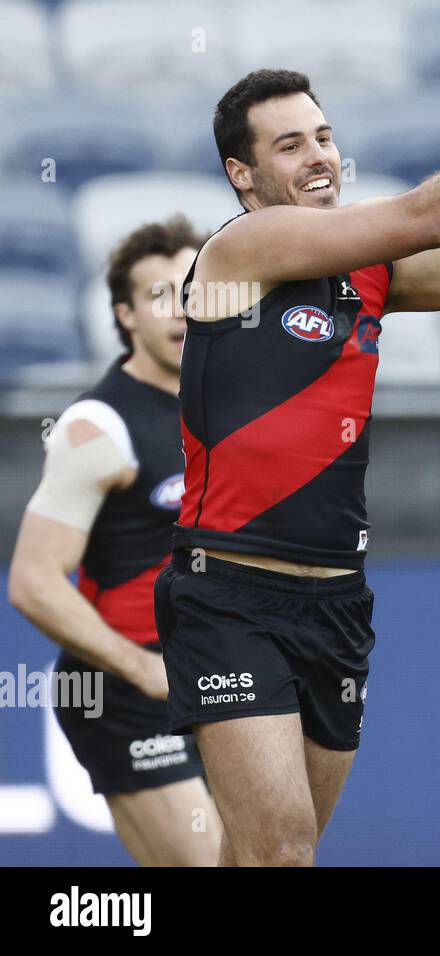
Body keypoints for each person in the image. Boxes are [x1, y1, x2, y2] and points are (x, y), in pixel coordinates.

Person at [155, 16, 440, 865]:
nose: (319, 155)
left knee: (267, 854)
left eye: (324, 136)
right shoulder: (243, 247)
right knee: (282, 852)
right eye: (290, 146)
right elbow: (429, 216)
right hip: (228, 596)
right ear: (242, 176)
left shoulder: (367, 273)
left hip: (338, 604)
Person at [9, 216, 222, 865]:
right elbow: (33, 581)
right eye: (158, 295)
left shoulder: (230, 401)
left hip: (223, 678)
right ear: (125, 315)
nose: (179, 308)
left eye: (190, 289)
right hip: (129, 693)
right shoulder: (98, 426)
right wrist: (141, 669)